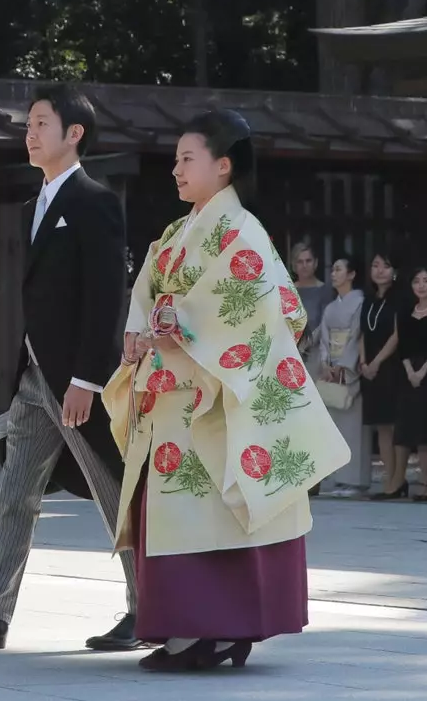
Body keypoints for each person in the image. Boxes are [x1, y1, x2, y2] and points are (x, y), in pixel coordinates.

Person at [104, 109, 348, 672]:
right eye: (175, 160)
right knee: (182, 510)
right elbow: (146, 292)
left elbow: (270, 308)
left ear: (224, 165)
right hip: (174, 391)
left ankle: (213, 629)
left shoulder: (243, 231)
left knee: (217, 503)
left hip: (215, 393)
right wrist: (143, 331)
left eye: (187, 159)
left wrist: (177, 325)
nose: (176, 170)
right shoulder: (175, 233)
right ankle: (192, 628)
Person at [0, 84, 138, 652]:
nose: (30, 133)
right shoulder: (33, 205)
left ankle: (151, 607)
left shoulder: (96, 201)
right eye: (30, 123)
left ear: (74, 134)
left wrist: (89, 378)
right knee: (15, 492)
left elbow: (107, 297)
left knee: (115, 490)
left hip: (78, 382)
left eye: (41, 123)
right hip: (36, 377)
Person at [392, 267, 427, 501]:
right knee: (419, 430)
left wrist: (423, 370)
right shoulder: (406, 312)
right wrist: (410, 371)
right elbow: (402, 345)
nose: (421, 285)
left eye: (426, 280)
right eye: (416, 280)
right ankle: (424, 478)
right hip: (410, 374)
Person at [313, 255, 366, 494]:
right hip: (333, 365)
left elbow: (356, 335)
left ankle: (355, 480)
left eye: (338, 269)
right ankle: (336, 478)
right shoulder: (331, 307)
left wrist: (345, 366)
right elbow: (324, 337)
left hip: (348, 369)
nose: (333, 274)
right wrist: (325, 363)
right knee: (334, 425)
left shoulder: (360, 302)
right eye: (332, 270)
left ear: (352, 274)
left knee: (353, 427)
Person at [360, 252, 406, 498]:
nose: (379, 271)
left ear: (395, 271)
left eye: (386, 266)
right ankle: (390, 477)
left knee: (394, 424)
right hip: (370, 367)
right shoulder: (368, 299)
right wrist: (363, 361)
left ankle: (399, 478)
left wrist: (376, 361)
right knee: (382, 427)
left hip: (391, 366)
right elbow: (362, 333)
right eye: (375, 265)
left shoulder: (399, 299)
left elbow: (397, 335)